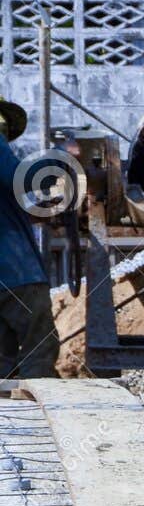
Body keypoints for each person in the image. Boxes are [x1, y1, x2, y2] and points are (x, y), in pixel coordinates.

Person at [0, 93, 61, 382]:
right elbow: (19, 179)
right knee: (40, 343)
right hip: (16, 274)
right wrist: (59, 162)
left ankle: (9, 420)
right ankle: (37, 413)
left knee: (3, 356)